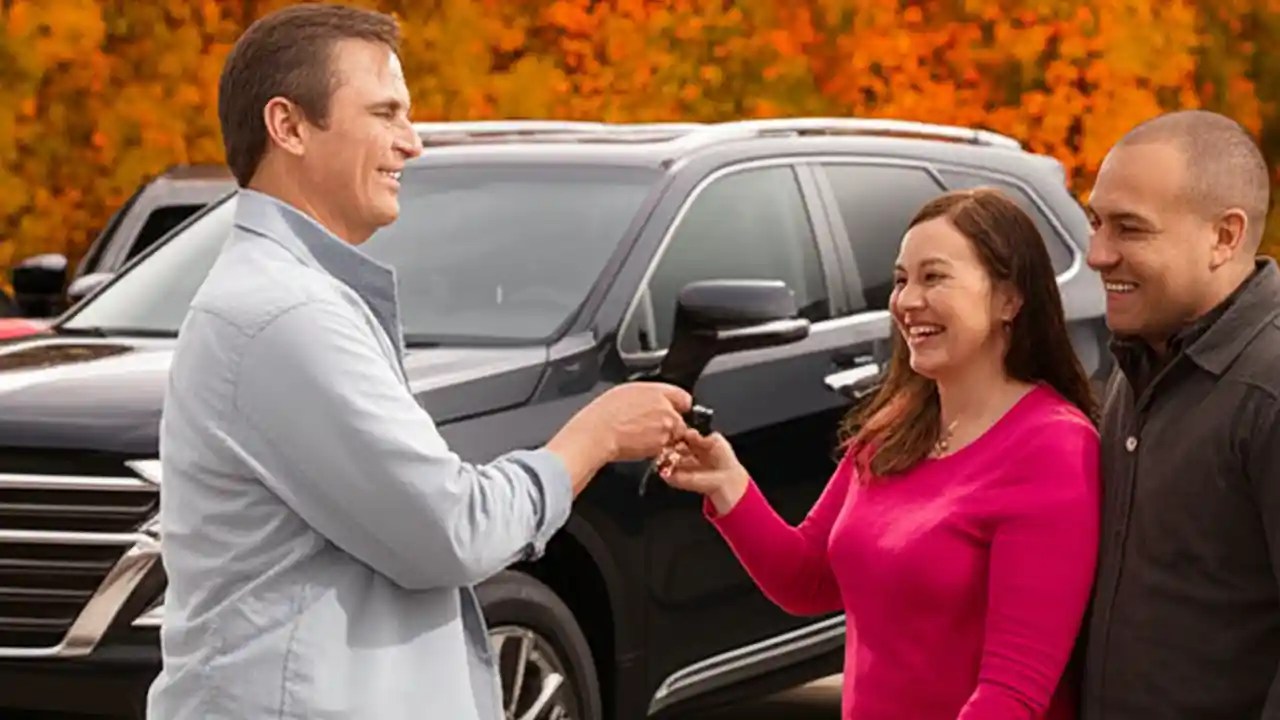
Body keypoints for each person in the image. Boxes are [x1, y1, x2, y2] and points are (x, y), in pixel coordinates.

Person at [147, 5, 691, 720]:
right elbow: (452, 531)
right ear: (289, 126)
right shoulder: (287, 314)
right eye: (385, 113)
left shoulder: (294, 299)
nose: (413, 143)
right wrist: (596, 438)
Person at [658, 188, 1102, 719]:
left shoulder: (1054, 448)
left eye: (933, 277)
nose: (906, 301)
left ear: (1010, 298)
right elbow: (807, 581)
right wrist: (728, 484)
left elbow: (1012, 695)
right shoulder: (893, 430)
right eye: (900, 279)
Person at [1079, 110, 1280, 718]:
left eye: (1130, 230)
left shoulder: (1266, 391)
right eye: (1096, 223)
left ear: (1224, 236)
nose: (1097, 254)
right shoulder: (1139, 363)